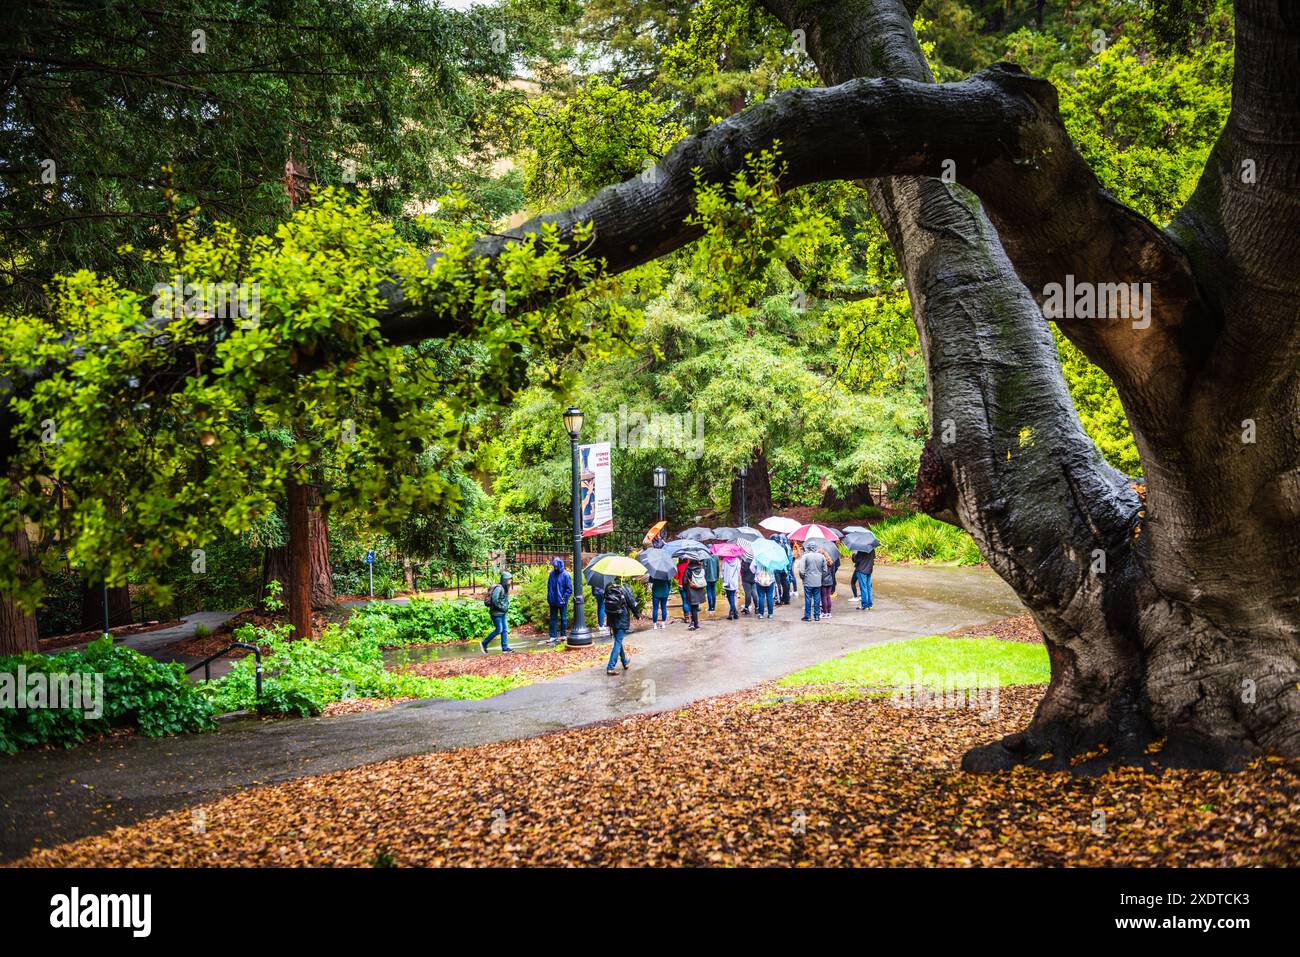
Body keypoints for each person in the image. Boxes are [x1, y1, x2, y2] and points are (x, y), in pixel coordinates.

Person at [604, 577, 640, 675]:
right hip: (621, 618)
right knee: (618, 641)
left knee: (618, 640)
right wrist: (637, 615)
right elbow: (632, 603)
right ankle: (610, 667)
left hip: (612, 618)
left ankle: (624, 662)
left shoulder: (608, 587)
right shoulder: (625, 588)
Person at [480, 571, 514, 654]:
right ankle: (484, 643)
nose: (511, 581)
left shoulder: (505, 588)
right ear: (505, 580)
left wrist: (504, 609)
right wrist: (502, 608)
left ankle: (505, 648)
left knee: (505, 630)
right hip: (496, 614)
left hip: (503, 613)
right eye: (509, 580)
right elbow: (495, 601)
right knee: (499, 630)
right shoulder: (499, 588)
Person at [797, 546, 827, 621]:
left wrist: (803, 577)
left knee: (808, 598)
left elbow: (801, 570)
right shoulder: (821, 556)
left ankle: (808, 616)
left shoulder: (805, 556)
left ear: (809, 548)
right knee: (817, 598)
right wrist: (819, 576)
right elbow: (825, 570)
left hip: (808, 581)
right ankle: (817, 616)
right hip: (817, 581)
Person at [546, 556, 572, 643]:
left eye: (556, 566)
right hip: (553, 601)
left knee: (563, 618)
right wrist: (549, 597)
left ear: (560, 565)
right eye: (554, 566)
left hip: (562, 601)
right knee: (553, 619)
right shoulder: (552, 574)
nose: (555, 568)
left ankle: (563, 635)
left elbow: (569, 589)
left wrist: (564, 598)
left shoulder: (565, 575)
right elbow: (549, 586)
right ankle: (553, 636)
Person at [684, 558, 707, 630]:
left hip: (691, 591)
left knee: (693, 608)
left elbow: (684, 581)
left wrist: (686, 588)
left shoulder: (688, 568)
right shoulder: (701, 567)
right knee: (695, 607)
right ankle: (693, 622)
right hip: (699, 590)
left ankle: (696, 625)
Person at [720, 552, 741, 620]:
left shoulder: (725, 560)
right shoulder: (737, 560)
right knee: (731, 596)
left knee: (729, 596)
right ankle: (733, 613)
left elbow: (722, 571)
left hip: (727, 581)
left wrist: (723, 577)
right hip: (734, 581)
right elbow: (738, 571)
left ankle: (734, 613)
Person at [822, 545, 840, 619]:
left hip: (823, 582)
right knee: (828, 597)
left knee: (823, 597)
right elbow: (833, 573)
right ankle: (829, 612)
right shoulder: (831, 562)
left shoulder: (822, 562)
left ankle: (824, 612)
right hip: (830, 581)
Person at [675, 557, 691, 623]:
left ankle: (686, 617)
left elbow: (676, 577)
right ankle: (691, 615)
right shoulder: (689, 565)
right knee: (689, 600)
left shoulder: (678, 565)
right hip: (688, 585)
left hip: (681, 585)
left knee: (684, 601)